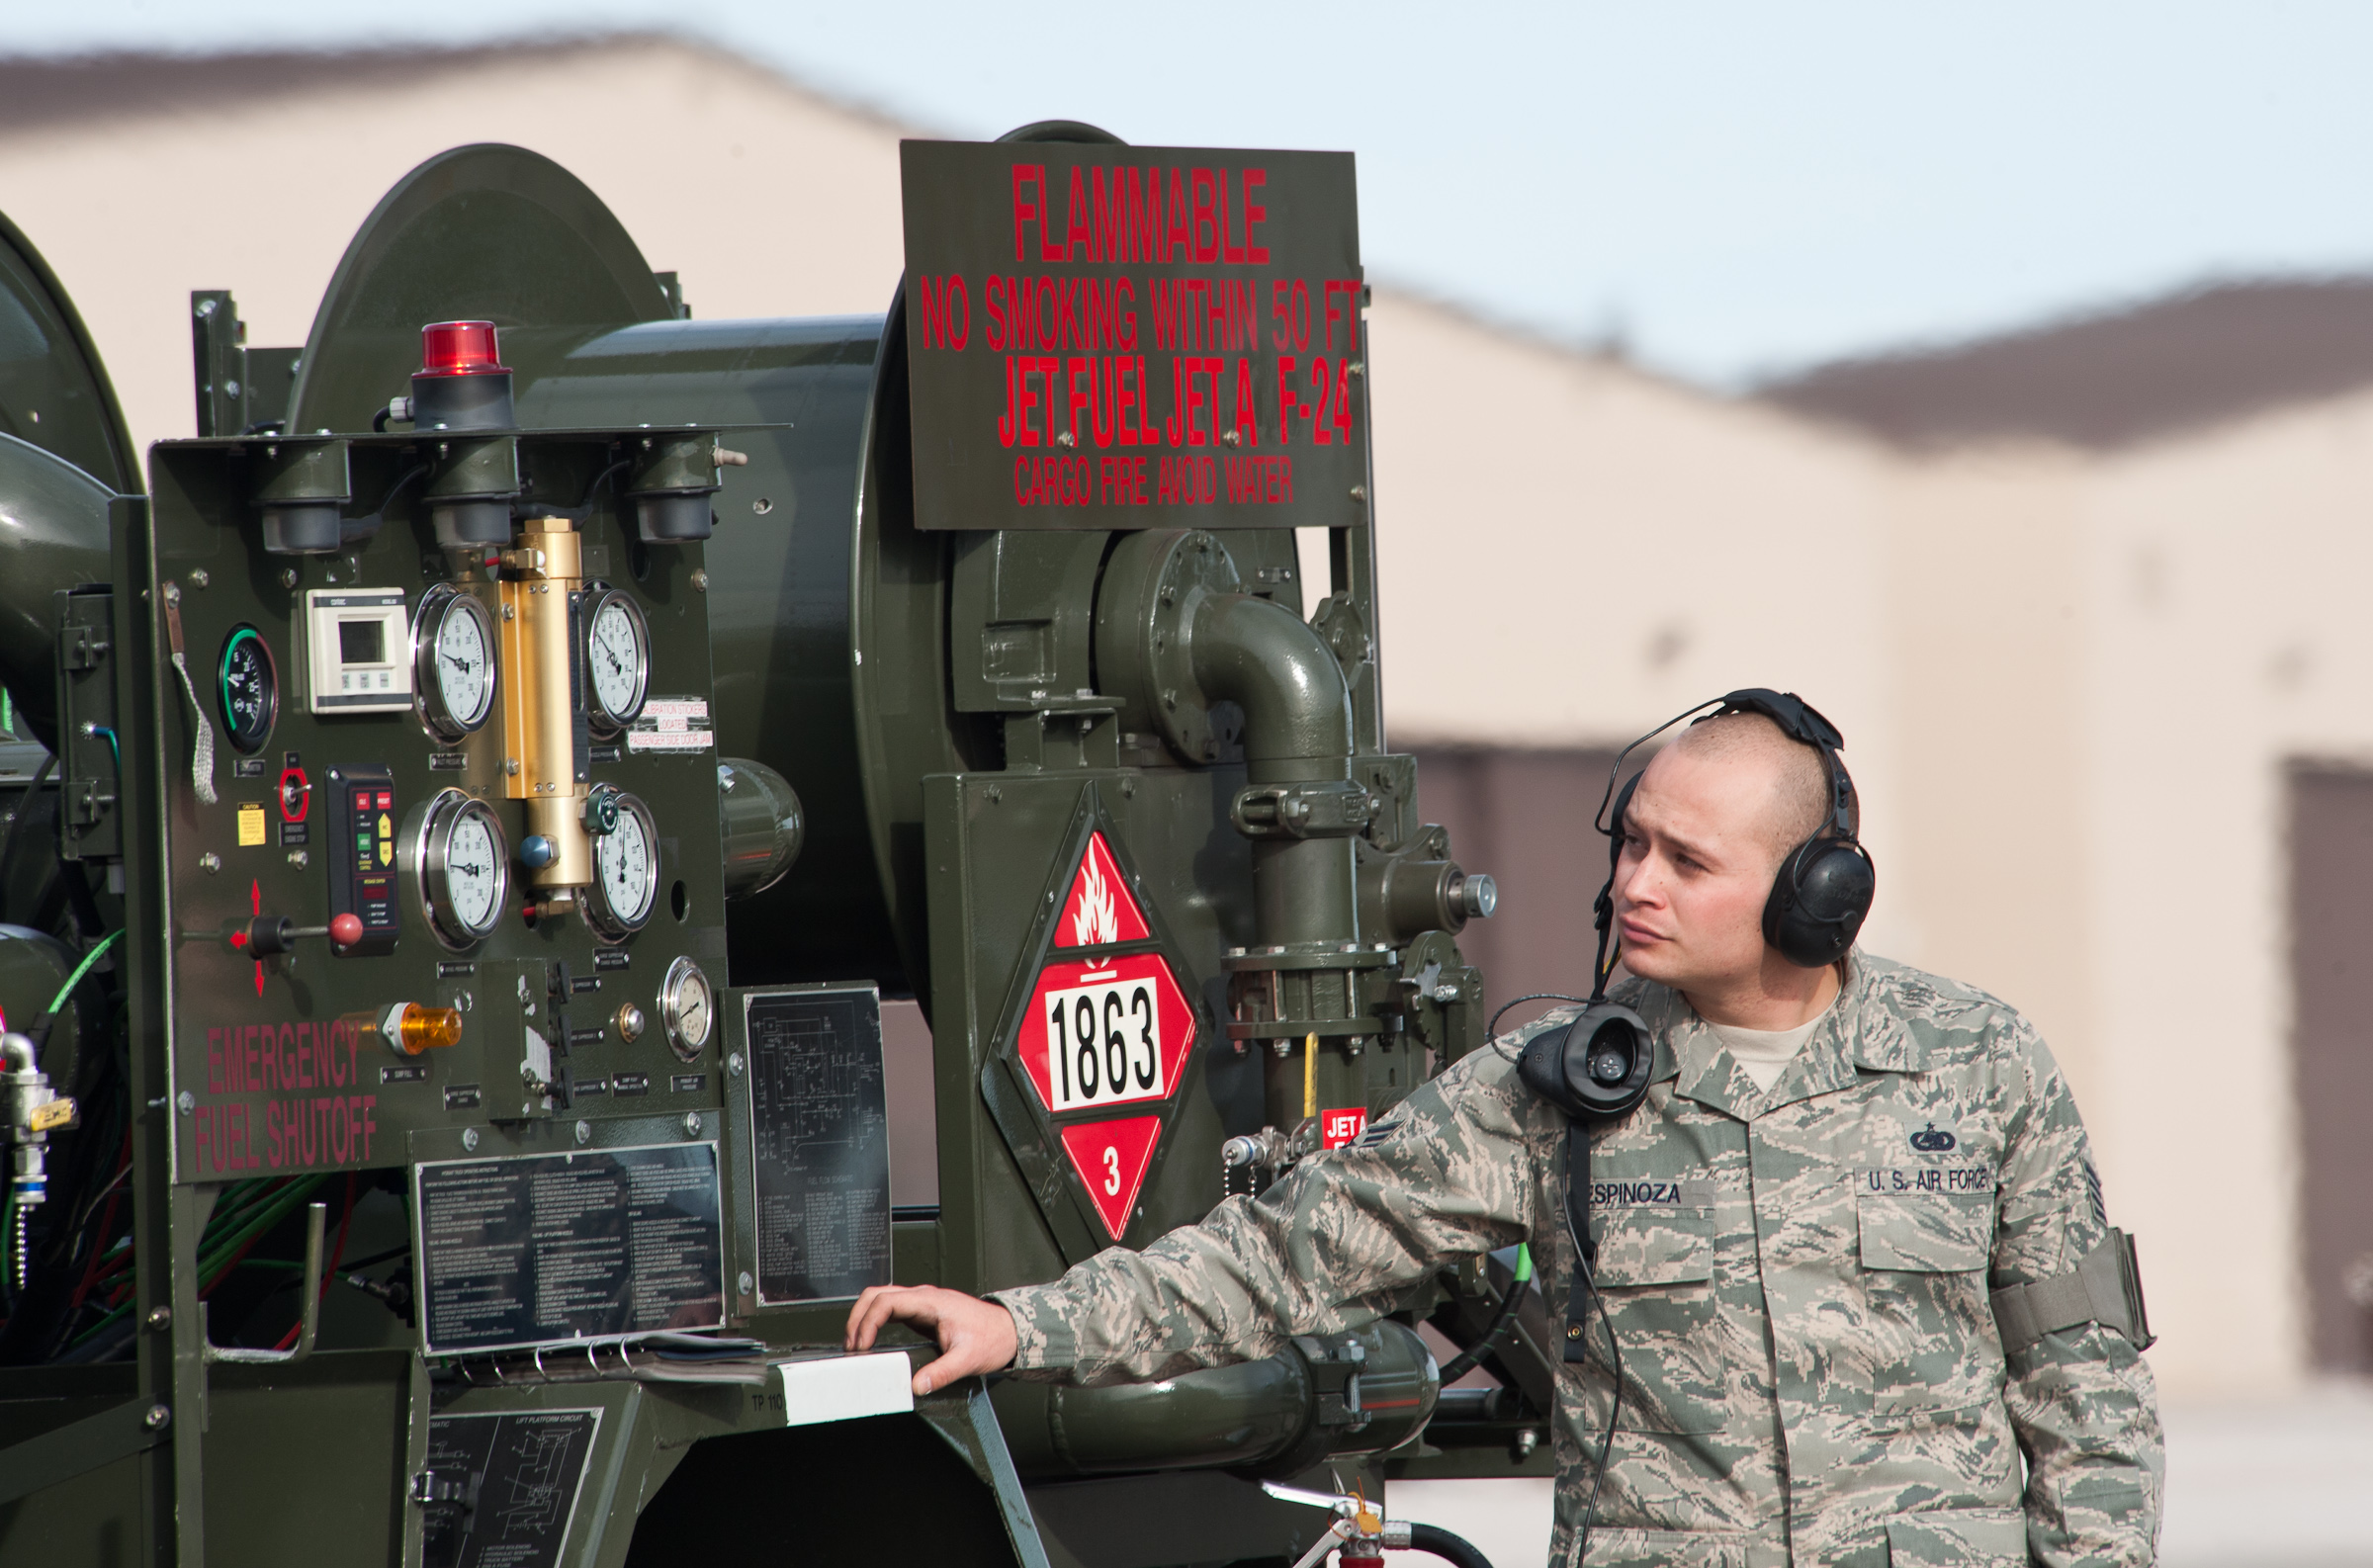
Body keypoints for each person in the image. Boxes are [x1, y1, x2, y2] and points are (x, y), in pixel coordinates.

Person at [847, 695, 2163, 1567]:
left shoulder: (1979, 1065)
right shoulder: (1551, 1092)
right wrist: (1028, 1323)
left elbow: (2087, 1387)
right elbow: (1287, 1253)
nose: (1633, 883)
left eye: (1686, 860)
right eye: (1631, 843)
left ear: (1821, 892)